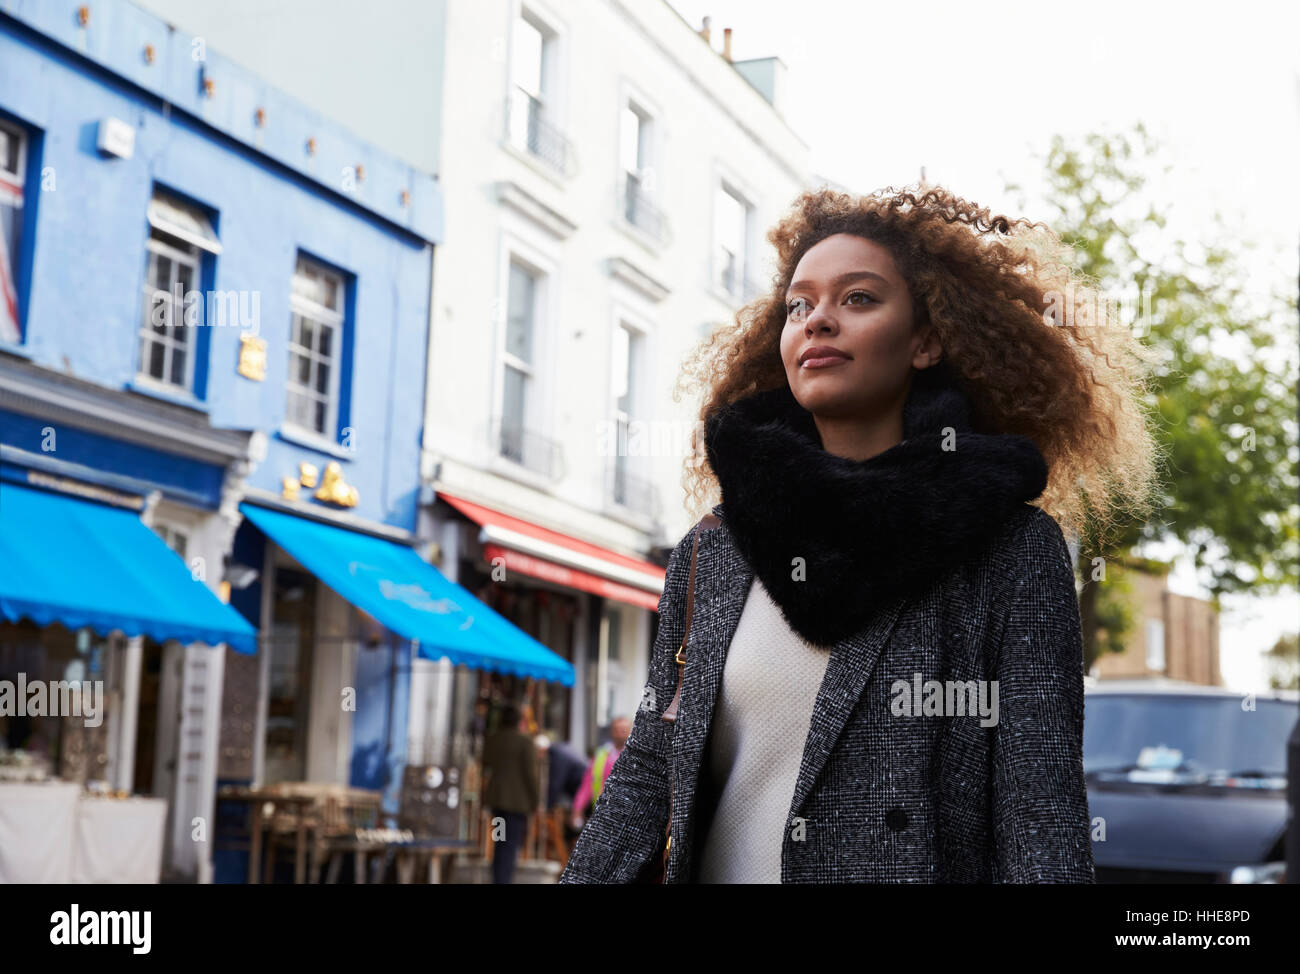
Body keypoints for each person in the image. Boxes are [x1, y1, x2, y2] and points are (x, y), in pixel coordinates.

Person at [560, 184, 1159, 884]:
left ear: (927, 340)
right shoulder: (713, 551)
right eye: (798, 305)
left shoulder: (1009, 551)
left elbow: (1040, 819)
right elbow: (651, 772)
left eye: (859, 299)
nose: (818, 321)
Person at [480, 701, 540, 884]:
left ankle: (497, 878)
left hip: (497, 801)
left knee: (499, 841)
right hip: (517, 803)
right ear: (519, 721)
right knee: (510, 844)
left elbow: (485, 763)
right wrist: (535, 801)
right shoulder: (525, 742)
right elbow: (531, 774)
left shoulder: (493, 739)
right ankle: (503, 879)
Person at [569, 716, 631, 831]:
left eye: (623, 730)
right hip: (602, 812)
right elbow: (587, 785)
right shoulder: (601, 755)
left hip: (628, 814)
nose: (619, 734)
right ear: (611, 732)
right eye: (616, 730)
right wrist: (577, 810)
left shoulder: (636, 757)